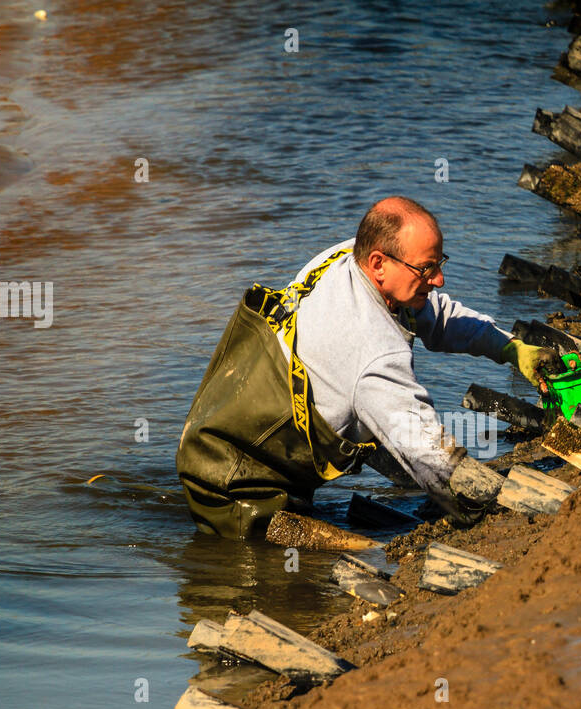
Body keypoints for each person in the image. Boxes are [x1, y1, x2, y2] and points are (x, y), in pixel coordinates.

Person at [176, 196, 550, 538]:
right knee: (282, 574)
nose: (439, 279)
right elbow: (429, 455)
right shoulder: (373, 350)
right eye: (427, 269)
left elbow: (434, 315)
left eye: (439, 264)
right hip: (235, 484)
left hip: (220, 432)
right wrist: (507, 505)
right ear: (379, 263)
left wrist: (510, 348)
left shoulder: (347, 258)